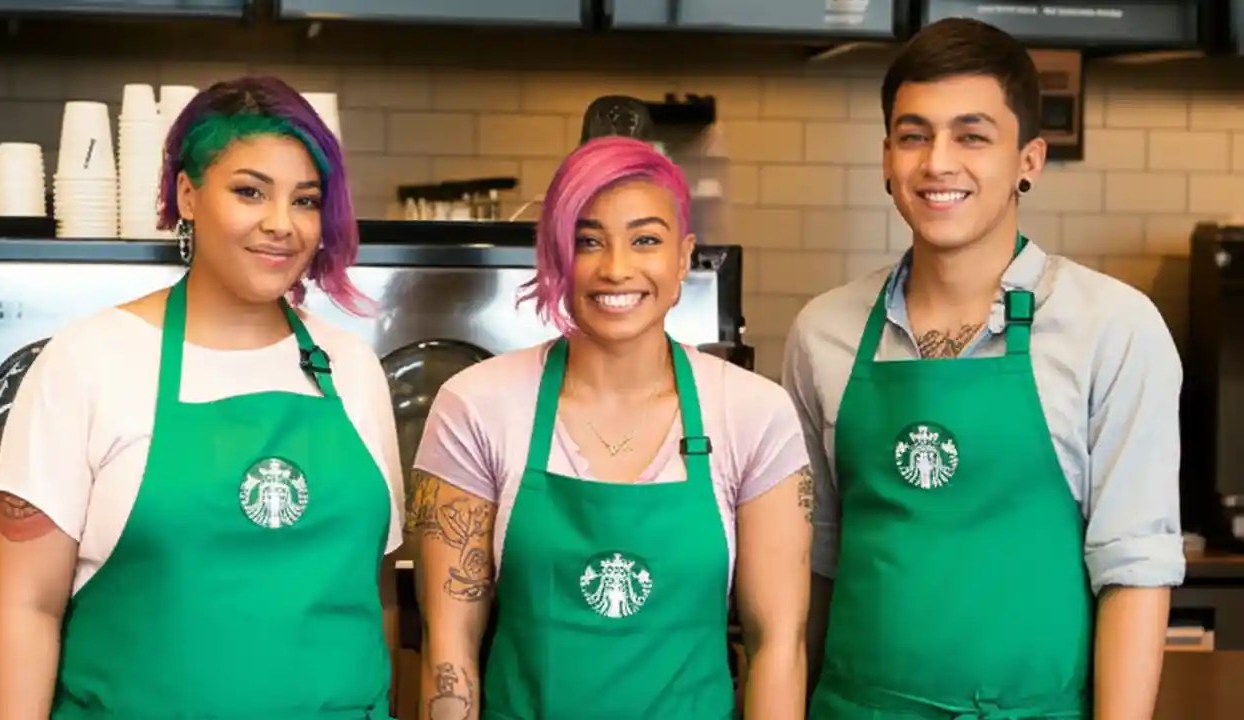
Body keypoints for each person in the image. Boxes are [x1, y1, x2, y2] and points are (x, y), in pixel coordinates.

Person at [783, 17, 1186, 720]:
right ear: (886, 158)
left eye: (972, 135)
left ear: (1029, 159)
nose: (939, 162)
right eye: (914, 135)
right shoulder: (823, 332)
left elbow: (1135, 572)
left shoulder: (1113, 328)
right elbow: (809, 566)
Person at [0, 76, 405, 718]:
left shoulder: (353, 367)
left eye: (305, 200)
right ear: (187, 193)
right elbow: (25, 610)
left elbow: (374, 596)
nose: (280, 225)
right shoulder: (87, 361)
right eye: (249, 191)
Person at [409, 136, 813, 720]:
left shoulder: (753, 413)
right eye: (588, 241)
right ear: (556, 257)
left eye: (645, 240)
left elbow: (778, 646)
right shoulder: (477, 404)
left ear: (682, 257)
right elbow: (449, 651)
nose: (616, 268)